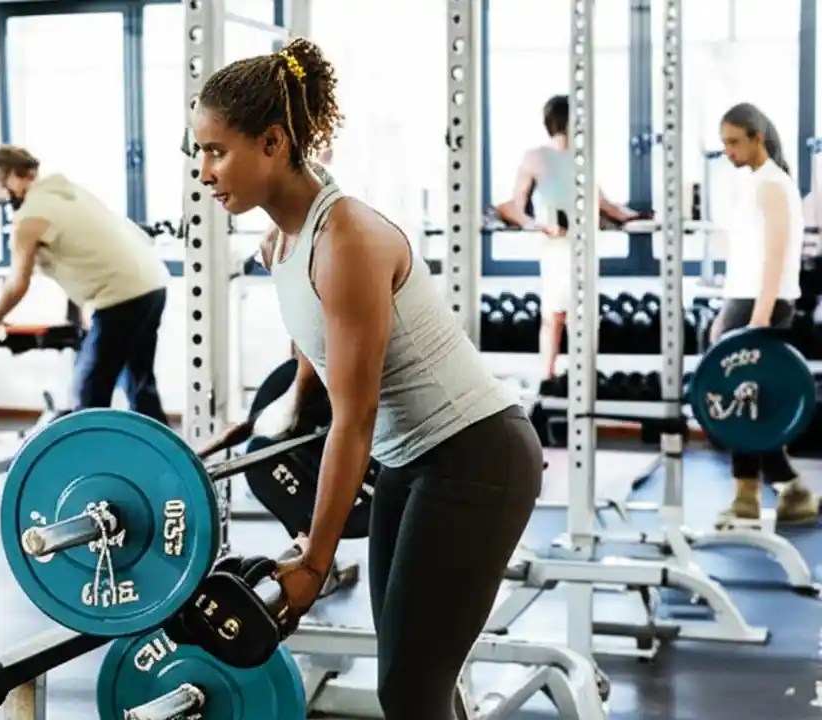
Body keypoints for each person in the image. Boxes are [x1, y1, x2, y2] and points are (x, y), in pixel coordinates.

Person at [191, 38, 544, 717]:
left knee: (411, 687)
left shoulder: (345, 239)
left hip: (474, 455)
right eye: (198, 153)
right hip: (412, 459)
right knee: (415, 681)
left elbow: (353, 417)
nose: (204, 171)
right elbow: (317, 349)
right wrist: (294, 401)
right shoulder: (282, 240)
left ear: (271, 143)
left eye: (216, 150)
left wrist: (315, 564)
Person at [0, 145, 172, 425]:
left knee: (87, 395)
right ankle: (165, 463)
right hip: (152, 284)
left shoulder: (30, 216)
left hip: (121, 296)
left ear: (15, 177)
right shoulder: (67, 192)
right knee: (140, 384)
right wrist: (78, 317)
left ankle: (89, 463)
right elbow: (82, 258)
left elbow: (17, 284)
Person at [711, 102, 818, 527]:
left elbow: (775, 258)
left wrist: (758, 320)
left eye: (735, 142)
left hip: (761, 304)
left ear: (758, 137)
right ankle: (788, 491)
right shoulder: (757, 183)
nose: (729, 151)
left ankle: (749, 499)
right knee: (746, 402)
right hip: (746, 300)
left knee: (743, 402)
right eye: (724, 144)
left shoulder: (773, 184)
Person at [495, 94, 646, 382]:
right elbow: (516, 207)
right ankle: (547, 376)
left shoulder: (582, 159)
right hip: (555, 246)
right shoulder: (535, 157)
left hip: (584, 245)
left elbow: (602, 202)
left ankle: (582, 377)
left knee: (584, 315)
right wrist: (541, 226)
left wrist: (635, 217)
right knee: (554, 315)